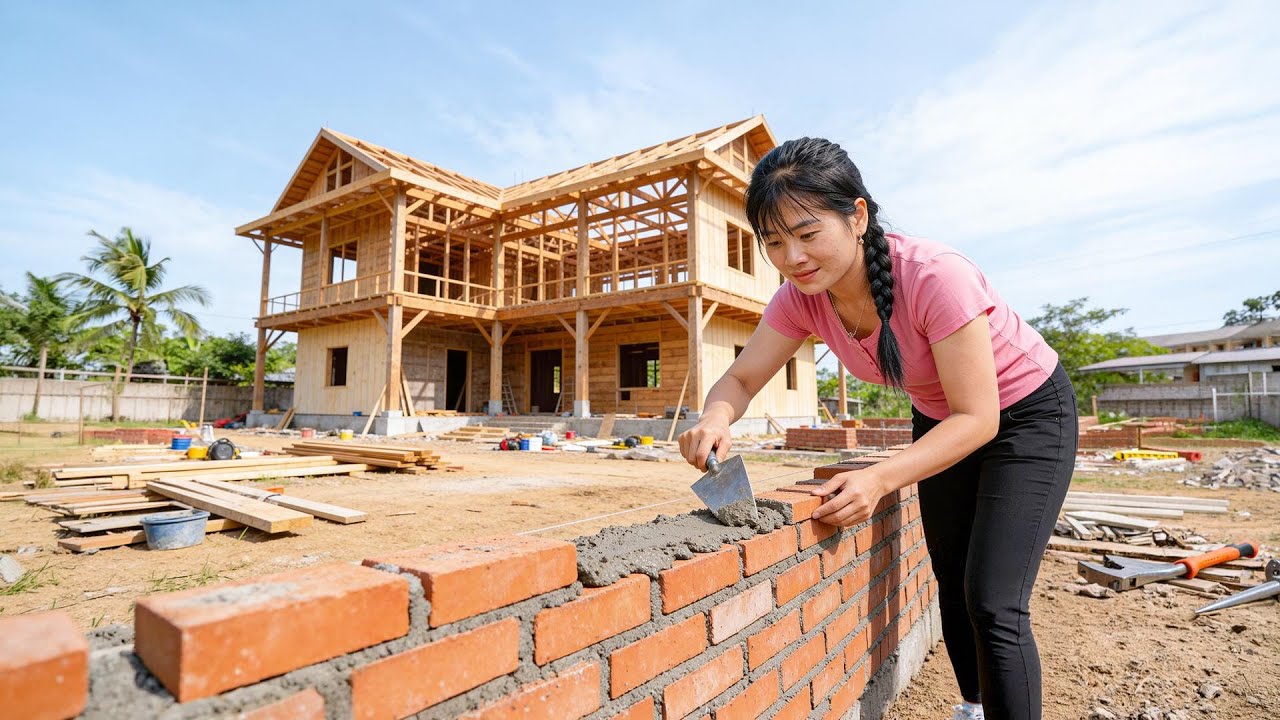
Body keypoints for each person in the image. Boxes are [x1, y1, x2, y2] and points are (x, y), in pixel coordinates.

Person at [678, 137, 1077, 720]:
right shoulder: (800, 299)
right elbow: (738, 380)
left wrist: (880, 478)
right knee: (949, 572)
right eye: (774, 242)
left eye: (808, 234)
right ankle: (973, 707)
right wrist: (714, 416)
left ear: (857, 215)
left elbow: (979, 416)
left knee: (993, 601)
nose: (793, 257)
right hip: (943, 419)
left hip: (1023, 416)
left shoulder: (936, 275)